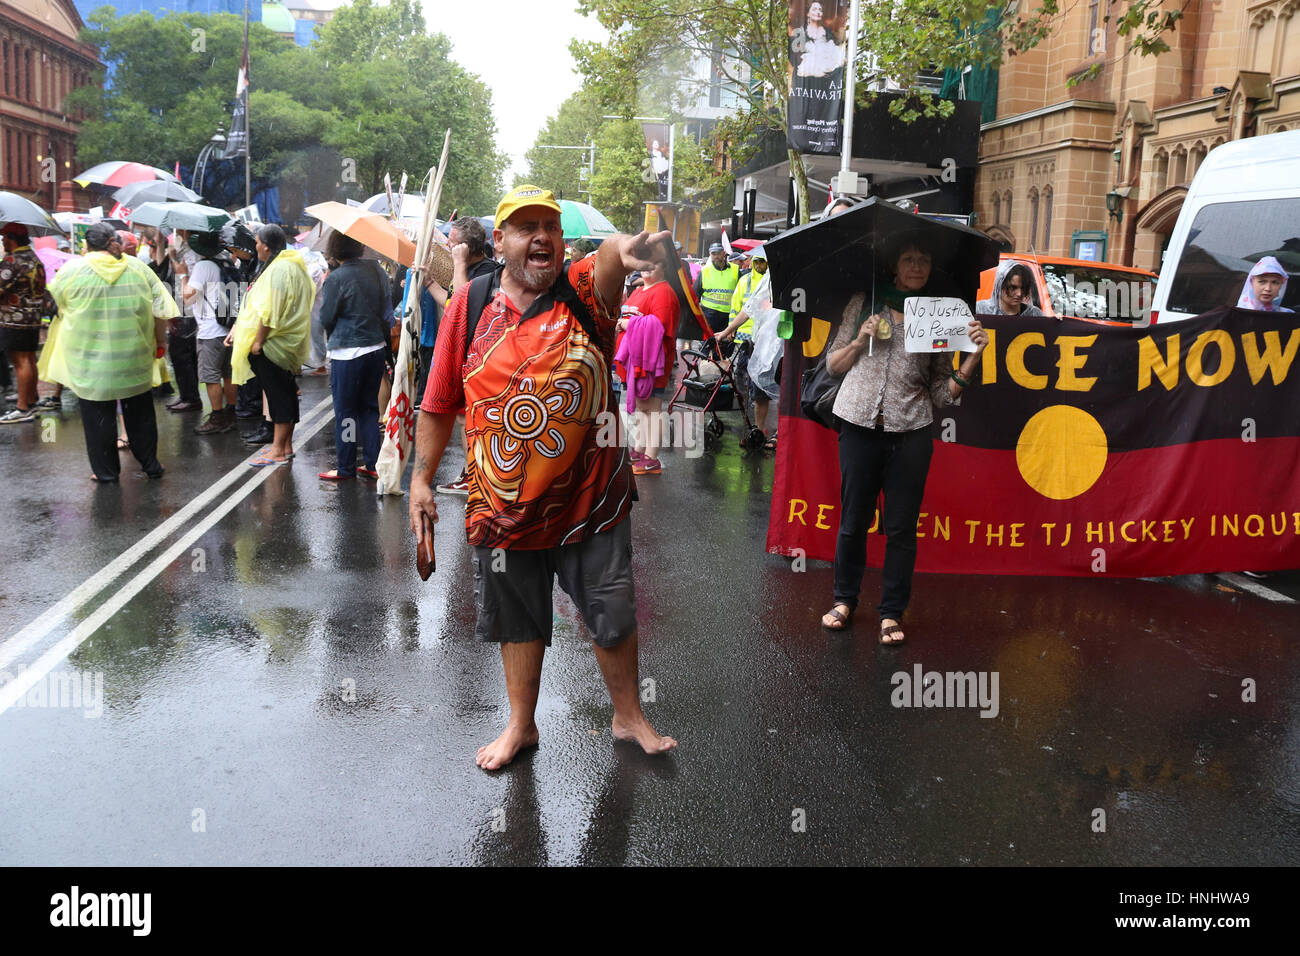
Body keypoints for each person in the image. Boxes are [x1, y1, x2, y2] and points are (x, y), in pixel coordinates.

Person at [408, 184, 676, 770]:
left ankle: (629, 715)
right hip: (501, 507)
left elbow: (606, 261)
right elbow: (439, 400)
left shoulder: (581, 292)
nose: (541, 237)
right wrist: (422, 478)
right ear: (499, 241)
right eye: (525, 227)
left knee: (612, 609)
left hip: (592, 503)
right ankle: (520, 726)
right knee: (516, 616)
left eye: (549, 227)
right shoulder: (470, 305)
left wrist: (620, 249)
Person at [820, 233, 988, 644]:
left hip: (911, 433)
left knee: (900, 529)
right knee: (853, 522)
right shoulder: (865, 302)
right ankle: (844, 600)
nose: (916, 266)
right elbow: (833, 365)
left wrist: (973, 356)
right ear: (894, 267)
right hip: (858, 427)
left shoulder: (937, 316)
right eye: (908, 259)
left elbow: (938, 393)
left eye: (923, 260)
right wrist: (862, 339)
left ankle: (891, 612)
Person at [40, 222, 174, 481]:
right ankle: (151, 465)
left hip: (90, 362)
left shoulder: (72, 270)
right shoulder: (138, 268)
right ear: (114, 242)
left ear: (87, 245)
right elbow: (161, 310)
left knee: (98, 417)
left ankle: (106, 473)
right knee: (141, 414)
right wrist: (160, 343)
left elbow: (55, 302)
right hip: (135, 357)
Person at [226, 224, 315, 467]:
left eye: (256, 242)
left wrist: (258, 342)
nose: (255, 247)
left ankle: (277, 449)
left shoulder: (279, 269)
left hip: (273, 345)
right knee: (285, 395)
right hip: (288, 343)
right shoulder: (293, 266)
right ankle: (285, 447)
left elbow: (269, 311)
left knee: (279, 398)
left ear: (265, 245)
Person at [429, 216, 501, 496]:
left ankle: (473, 475)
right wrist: (428, 284)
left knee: (466, 417)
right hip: (468, 352)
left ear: (467, 247)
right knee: (465, 416)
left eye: (453, 244)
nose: (448, 247)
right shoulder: (472, 269)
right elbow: (450, 305)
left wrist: (458, 264)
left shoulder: (484, 271)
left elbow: (461, 303)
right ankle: (472, 471)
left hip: (478, 355)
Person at [316, 230, 390, 480]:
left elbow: (325, 317)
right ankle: (373, 464)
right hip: (376, 348)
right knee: (369, 409)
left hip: (348, 353)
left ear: (335, 250)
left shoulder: (336, 278)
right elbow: (385, 309)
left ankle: (346, 466)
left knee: (346, 413)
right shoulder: (377, 271)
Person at [615, 257, 680, 475]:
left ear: (665, 266)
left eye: (654, 262)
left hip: (651, 363)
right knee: (643, 409)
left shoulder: (664, 293)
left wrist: (627, 324)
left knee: (652, 410)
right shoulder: (638, 290)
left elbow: (659, 328)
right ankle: (640, 450)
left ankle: (651, 458)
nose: (647, 267)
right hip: (635, 362)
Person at [719, 245, 777, 444]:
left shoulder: (783, 279)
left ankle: (783, 437)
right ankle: (759, 432)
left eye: (763, 261)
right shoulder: (759, 281)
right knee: (756, 390)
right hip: (758, 343)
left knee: (784, 393)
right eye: (757, 261)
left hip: (784, 347)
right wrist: (728, 331)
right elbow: (746, 309)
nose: (760, 265)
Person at [187, 231, 240, 434]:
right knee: (228, 373)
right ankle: (231, 413)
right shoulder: (227, 262)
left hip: (210, 330)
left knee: (211, 376)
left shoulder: (203, 266)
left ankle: (217, 417)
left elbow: (188, 296)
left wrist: (182, 275)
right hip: (229, 328)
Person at [0, 223, 53, 424]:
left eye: (5, 237)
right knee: (29, 359)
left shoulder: (13, 260)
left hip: (14, 320)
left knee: (20, 361)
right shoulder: (33, 258)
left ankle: (22, 407)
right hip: (32, 319)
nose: (3, 241)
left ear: (12, 239)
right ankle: (31, 402)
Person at [693, 241, 739, 351]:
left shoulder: (735, 270)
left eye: (718, 253)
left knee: (726, 350)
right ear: (710, 255)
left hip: (729, 317)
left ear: (724, 253)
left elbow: (740, 293)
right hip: (709, 316)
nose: (716, 256)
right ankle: (706, 367)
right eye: (713, 254)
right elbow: (695, 295)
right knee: (707, 348)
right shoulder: (705, 271)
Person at [975, 260, 1045, 317]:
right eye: (1013, 287)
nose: (1019, 294)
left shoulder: (1034, 314)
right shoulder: (980, 310)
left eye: (1023, 288)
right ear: (1000, 285)